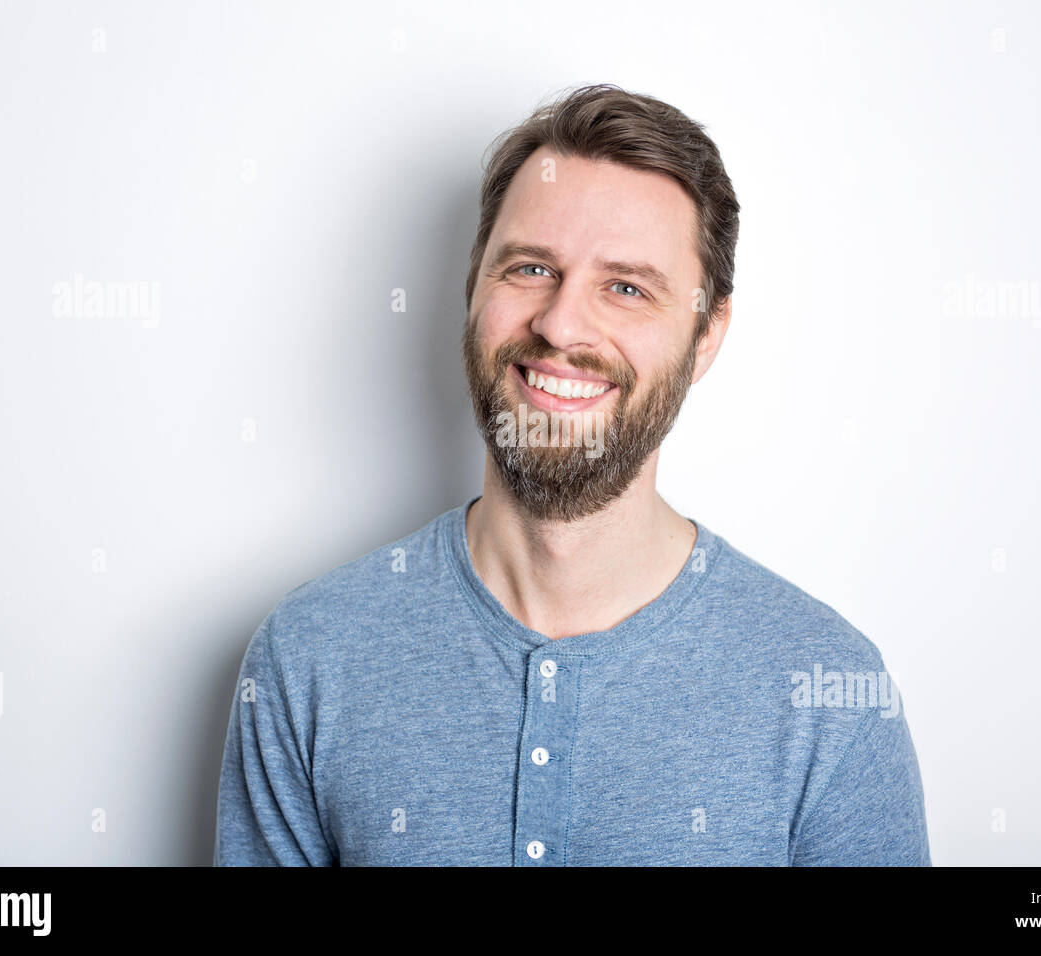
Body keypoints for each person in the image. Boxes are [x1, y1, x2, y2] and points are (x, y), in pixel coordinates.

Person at [214, 83, 931, 866]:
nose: (560, 325)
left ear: (706, 336)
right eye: (528, 269)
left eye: (626, 287)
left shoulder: (829, 693)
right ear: (472, 288)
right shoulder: (309, 658)